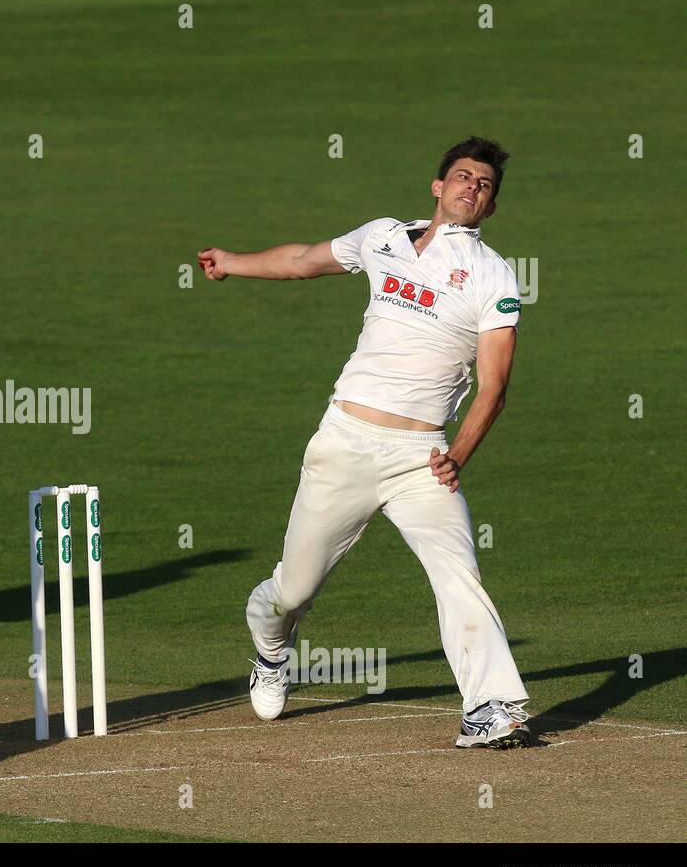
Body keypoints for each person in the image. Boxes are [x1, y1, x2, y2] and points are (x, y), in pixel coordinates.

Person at [198, 136, 531, 748]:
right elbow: (302, 260)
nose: (471, 188)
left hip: (422, 457)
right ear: (438, 186)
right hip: (345, 441)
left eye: (484, 185)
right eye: (462, 176)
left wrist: (456, 455)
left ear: (491, 207)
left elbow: (494, 387)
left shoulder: (494, 275)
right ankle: (272, 651)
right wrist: (233, 261)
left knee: (460, 576)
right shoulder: (382, 238)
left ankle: (491, 707)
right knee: (292, 590)